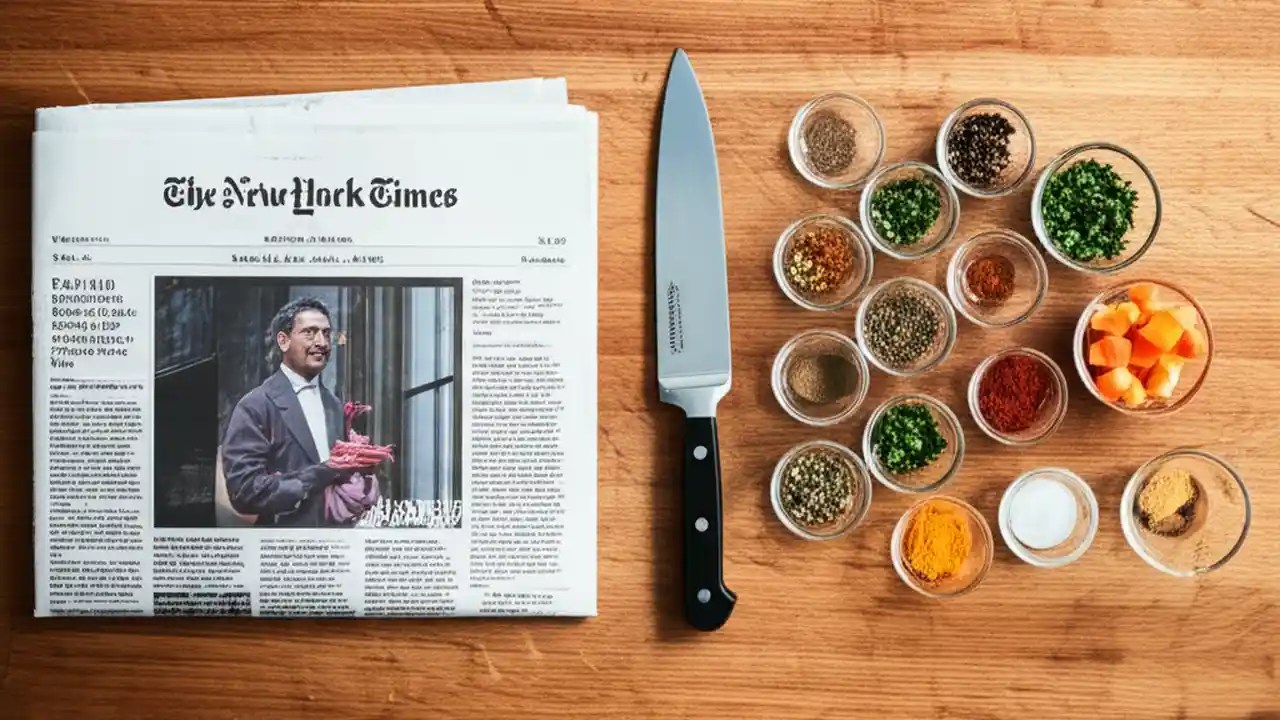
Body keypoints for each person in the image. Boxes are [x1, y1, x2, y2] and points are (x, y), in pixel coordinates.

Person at [221, 297, 375, 527]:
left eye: (326, 333)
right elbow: (244, 492)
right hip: (283, 548)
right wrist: (320, 473)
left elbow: (339, 475)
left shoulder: (334, 405)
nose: (322, 342)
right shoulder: (256, 405)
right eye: (310, 333)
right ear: (283, 341)